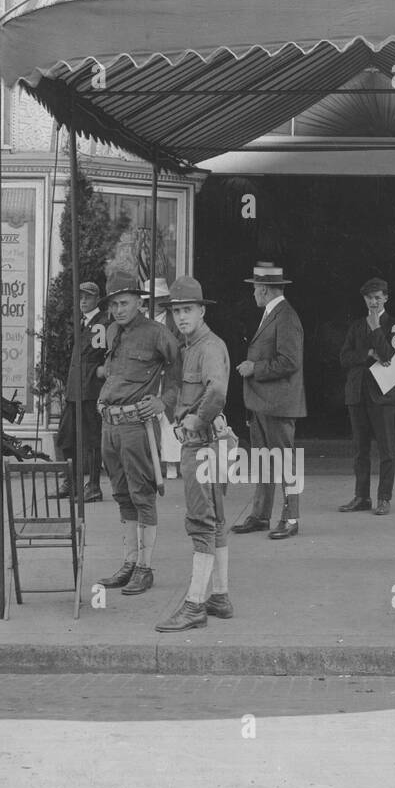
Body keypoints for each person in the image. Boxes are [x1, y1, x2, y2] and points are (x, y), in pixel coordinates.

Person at [154, 276, 234, 632]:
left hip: (202, 445)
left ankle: (194, 606)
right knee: (214, 520)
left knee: (201, 522)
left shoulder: (208, 347)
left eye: (188, 310)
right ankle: (219, 594)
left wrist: (195, 420)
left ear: (202, 311)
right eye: (176, 311)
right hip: (208, 444)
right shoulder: (194, 346)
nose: (181, 317)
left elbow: (216, 390)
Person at [96, 271, 181, 596]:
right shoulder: (114, 332)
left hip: (136, 427)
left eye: (124, 303)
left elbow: (180, 372)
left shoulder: (158, 333)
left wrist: (163, 401)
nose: (118, 309)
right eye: (114, 304)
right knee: (121, 495)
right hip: (111, 426)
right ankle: (130, 562)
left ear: (139, 302)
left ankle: (145, 568)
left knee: (142, 495)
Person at [232, 262, 306, 540]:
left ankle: (291, 518)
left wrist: (255, 368)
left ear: (263, 289)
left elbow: (290, 361)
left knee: (285, 462)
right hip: (265, 403)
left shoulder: (285, 317)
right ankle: (261, 515)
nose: (253, 293)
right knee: (264, 461)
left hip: (278, 403)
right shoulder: (273, 314)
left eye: (254, 288)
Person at [338, 276, 395, 515]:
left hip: (383, 396)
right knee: (360, 450)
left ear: (386, 297)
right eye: (369, 298)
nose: (373, 302)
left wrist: (376, 329)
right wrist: (367, 353)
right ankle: (361, 496)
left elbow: (389, 357)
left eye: (377, 297)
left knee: (386, 450)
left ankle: (384, 498)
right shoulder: (355, 325)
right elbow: (344, 358)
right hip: (357, 394)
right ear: (364, 299)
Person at [56, 281, 109, 502]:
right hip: (74, 388)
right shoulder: (81, 322)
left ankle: (94, 486)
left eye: (88, 297)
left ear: (97, 298)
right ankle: (73, 481)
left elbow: (106, 352)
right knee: (66, 436)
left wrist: (102, 370)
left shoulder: (101, 323)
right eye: (80, 297)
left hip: (90, 389)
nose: (83, 301)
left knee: (91, 439)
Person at [142, 277, 182, 478]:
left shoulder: (173, 320)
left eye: (160, 298)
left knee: (168, 416)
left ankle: (172, 464)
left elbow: (180, 346)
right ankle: (150, 462)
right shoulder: (140, 320)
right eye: (152, 298)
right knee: (146, 415)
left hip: (168, 374)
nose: (156, 302)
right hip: (146, 376)